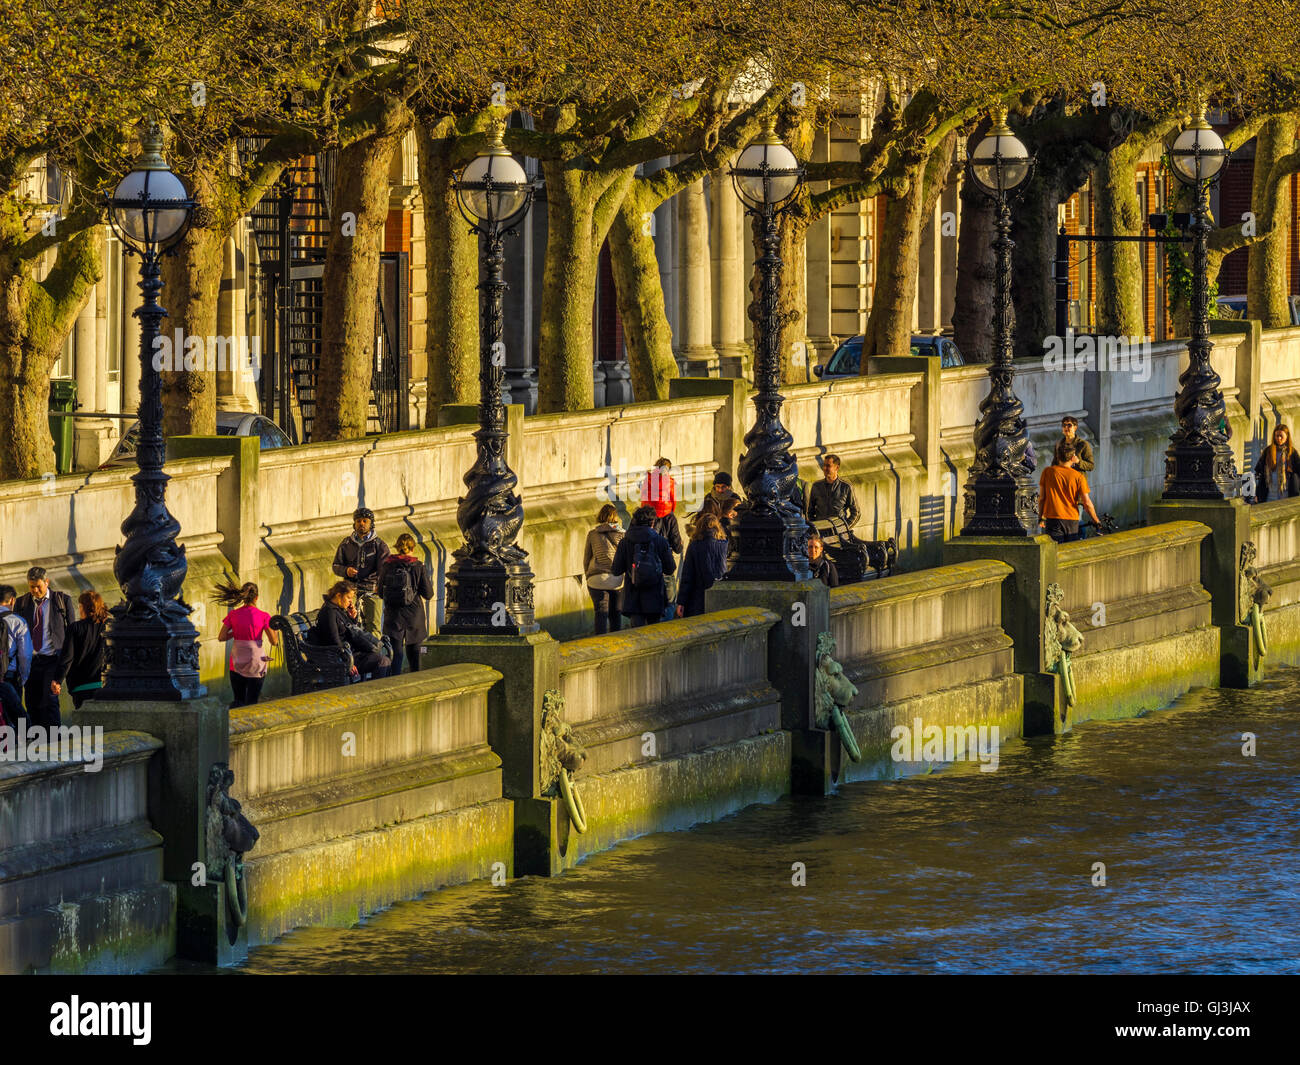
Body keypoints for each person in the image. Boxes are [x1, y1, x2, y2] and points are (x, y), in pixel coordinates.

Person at [15, 567, 76, 729]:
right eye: (31, 586)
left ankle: (54, 741)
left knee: (50, 701)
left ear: (47, 582)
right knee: (31, 702)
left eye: (38, 586)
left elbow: (72, 633)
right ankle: (37, 740)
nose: (35, 590)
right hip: (30, 661)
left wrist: (66, 667)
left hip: (52, 660)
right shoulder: (21, 603)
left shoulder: (62, 600)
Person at [212, 579, 279, 707]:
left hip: (236, 663)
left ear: (243, 597)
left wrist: (235, 633)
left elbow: (221, 637)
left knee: (238, 700)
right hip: (256, 663)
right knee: (252, 702)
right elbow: (274, 642)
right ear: (257, 597)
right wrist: (275, 630)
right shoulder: (264, 616)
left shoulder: (233, 614)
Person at [376, 533, 434, 674]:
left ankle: (394, 683)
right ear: (412, 548)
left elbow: (380, 592)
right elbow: (428, 594)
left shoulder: (387, 565)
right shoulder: (418, 566)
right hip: (414, 615)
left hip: (393, 615)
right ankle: (415, 684)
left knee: (395, 654)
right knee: (415, 655)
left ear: (397, 547)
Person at [610, 505, 677, 627]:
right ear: (652, 522)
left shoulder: (625, 542)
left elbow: (616, 570)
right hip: (655, 594)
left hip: (633, 595)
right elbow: (670, 568)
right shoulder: (660, 541)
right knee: (654, 632)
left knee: (637, 634)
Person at [310, 580, 391, 680]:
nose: (350, 602)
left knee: (383, 660)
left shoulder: (338, 609)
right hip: (343, 658)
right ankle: (377, 692)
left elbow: (351, 632)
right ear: (339, 595)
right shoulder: (329, 612)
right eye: (348, 598)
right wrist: (348, 661)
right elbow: (334, 640)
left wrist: (352, 618)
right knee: (382, 661)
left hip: (352, 653)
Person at [332, 507, 390, 640]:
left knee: (373, 627)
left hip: (371, 590)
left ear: (371, 523)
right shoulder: (346, 543)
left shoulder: (379, 545)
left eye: (365, 521)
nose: (361, 524)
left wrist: (379, 585)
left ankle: (373, 655)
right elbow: (335, 566)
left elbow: (385, 569)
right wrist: (346, 570)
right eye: (358, 521)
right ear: (354, 523)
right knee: (348, 625)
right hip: (350, 590)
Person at [1038, 441, 1101, 543]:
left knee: (1054, 551)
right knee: (1070, 549)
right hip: (1071, 519)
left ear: (1058, 456)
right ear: (1073, 458)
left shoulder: (1047, 472)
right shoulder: (1078, 477)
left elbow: (1041, 498)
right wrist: (1096, 520)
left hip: (1053, 517)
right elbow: (1087, 502)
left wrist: (1041, 517)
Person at [61, 590, 109, 709]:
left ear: (84, 608)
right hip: (103, 685)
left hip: (80, 686)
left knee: (86, 726)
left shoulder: (75, 628)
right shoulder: (109, 627)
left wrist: (57, 679)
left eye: (80, 606)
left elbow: (67, 657)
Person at [676, 514, 730, 618]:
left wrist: (681, 602)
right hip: (718, 593)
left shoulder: (695, 545)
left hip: (698, 596)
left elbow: (687, 575)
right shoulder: (724, 544)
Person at [583, 504, 625, 635]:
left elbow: (586, 558)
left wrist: (588, 575)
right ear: (615, 517)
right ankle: (616, 643)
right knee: (615, 614)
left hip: (596, 579)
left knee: (601, 613)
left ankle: (599, 643)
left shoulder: (592, 534)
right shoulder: (622, 534)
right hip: (616, 579)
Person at [0, 586, 32, 728]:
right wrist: (23, 678)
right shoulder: (18, 622)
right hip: (10, 676)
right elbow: (25, 655)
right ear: (12, 600)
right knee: (15, 719)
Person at [807, 454, 860, 527]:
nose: (824, 468)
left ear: (837, 468)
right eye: (824, 465)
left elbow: (856, 512)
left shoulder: (846, 487)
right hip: (821, 532)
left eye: (828, 466)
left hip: (839, 532)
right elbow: (809, 512)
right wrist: (815, 528)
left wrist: (845, 528)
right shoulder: (816, 486)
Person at [1254, 425, 1300, 502]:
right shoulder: (1267, 451)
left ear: (1287, 436)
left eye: (1281, 436)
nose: (1278, 438)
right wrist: (1257, 493)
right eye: (1277, 436)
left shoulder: (1292, 453)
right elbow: (1258, 471)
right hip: (1269, 495)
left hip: (1287, 495)